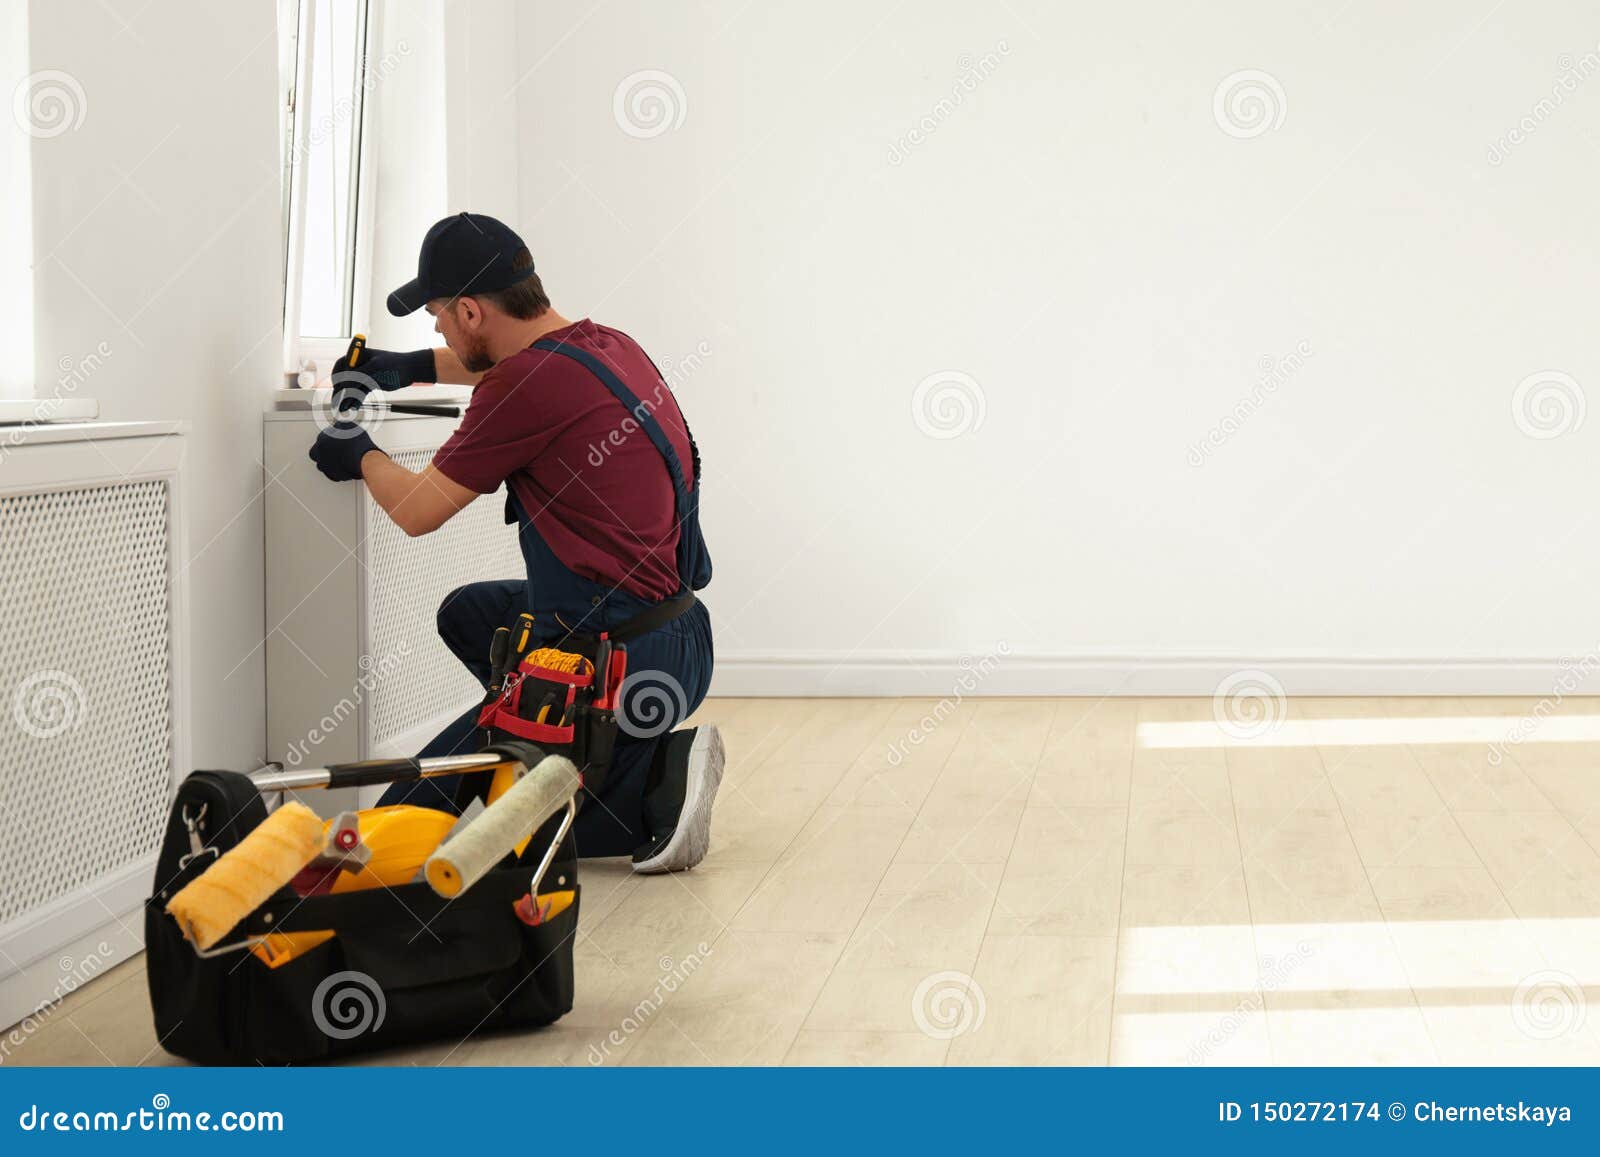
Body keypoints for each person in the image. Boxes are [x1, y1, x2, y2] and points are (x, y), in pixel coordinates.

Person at [308, 211, 722, 873]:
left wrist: (358, 453)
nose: (437, 328)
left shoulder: (522, 384)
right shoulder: (607, 344)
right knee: (470, 616)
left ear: (471, 311)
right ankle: (577, 752)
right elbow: (515, 372)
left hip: (621, 663)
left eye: (438, 316)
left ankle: (647, 783)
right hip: (683, 638)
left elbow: (417, 512)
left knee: (414, 815)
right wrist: (407, 367)